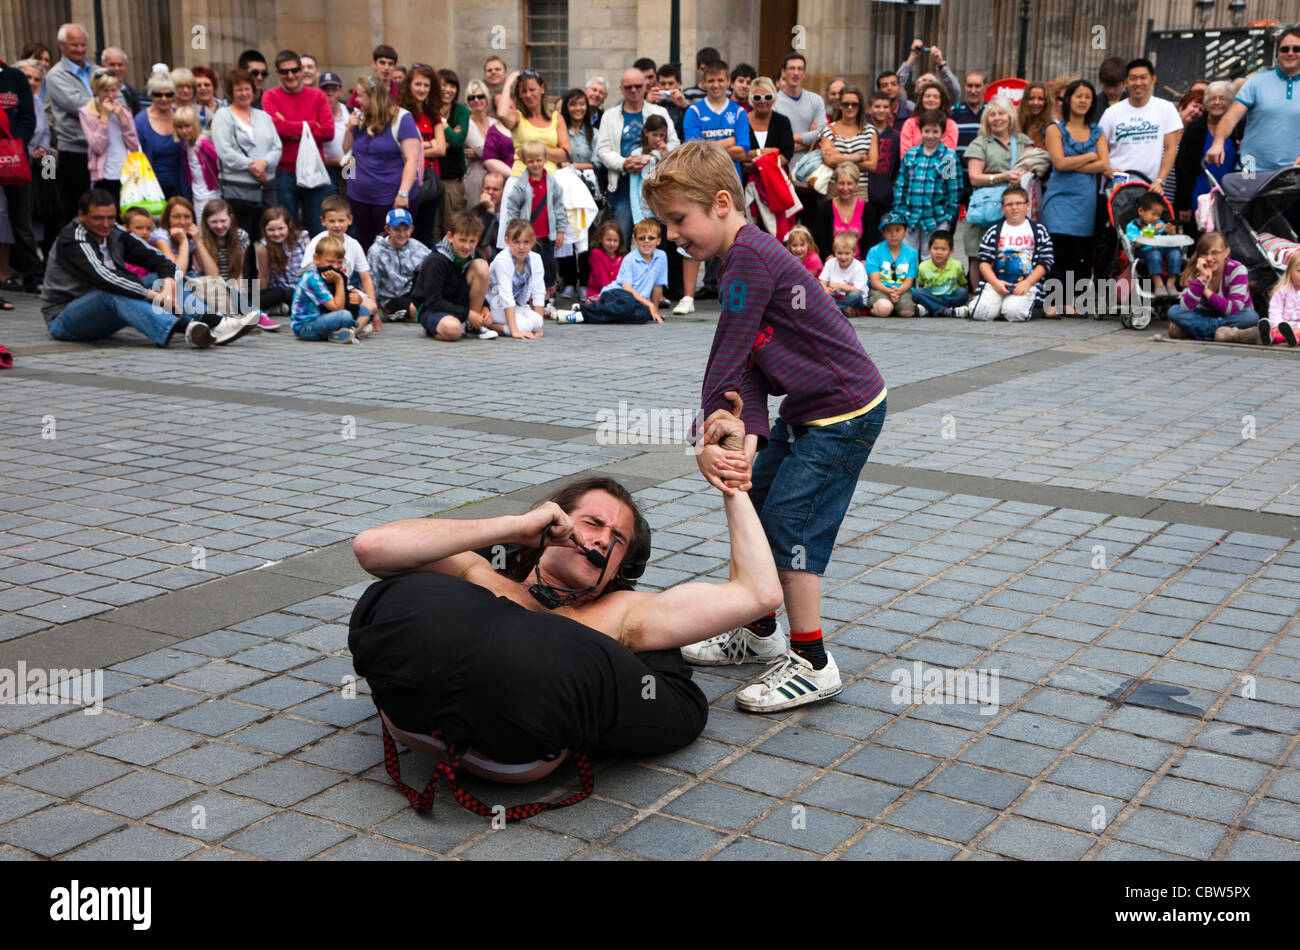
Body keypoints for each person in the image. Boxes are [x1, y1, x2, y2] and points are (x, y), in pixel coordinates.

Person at [642, 141, 888, 711]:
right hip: (811, 409)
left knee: (788, 525)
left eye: (680, 219)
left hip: (842, 412)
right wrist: (744, 435)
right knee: (757, 507)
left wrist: (709, 432)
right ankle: (758, 633)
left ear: (722, 203)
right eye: (666, 223)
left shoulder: (748, 258)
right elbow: (747, 371)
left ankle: (812, 661)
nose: (674, 235)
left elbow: (727, 355)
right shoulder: (737, 259)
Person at [347, 464, 779, 786]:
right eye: (592, 523)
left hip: (518, 748)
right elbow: (372, 547)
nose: (602, 540)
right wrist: (516, 528)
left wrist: (734, 485)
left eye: (618, 540)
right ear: (552, 522)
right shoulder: (480, 569)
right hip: (419, 707)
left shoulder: (622, 614)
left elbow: (758, 594)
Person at [40, 188, 233, 348]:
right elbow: (104, 278)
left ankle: (216, 322)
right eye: (98, 218)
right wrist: (154, 296)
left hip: (106, 312)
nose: (106, 224)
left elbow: (158, 258)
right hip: (64, 318)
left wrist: (168, 285)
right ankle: (186, 328)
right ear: (81, 215)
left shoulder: (115, 231)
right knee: (112, 291)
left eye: (110, 217)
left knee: (158, 278)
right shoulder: (72, 238)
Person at [676, 60, 749, 315]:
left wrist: (712, 143)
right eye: (712, 81)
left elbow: (743, 150)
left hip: (730, 184)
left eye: (721, 80)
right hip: (699, 183)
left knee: (731, 240)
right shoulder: (694, 112)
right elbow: (694, 148)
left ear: (728, 82)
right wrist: (727, 141)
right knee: (691, 235)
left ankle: (730, 293)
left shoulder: (738, 112)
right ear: (704, 83)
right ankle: (687, 297)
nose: (716, 85)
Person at [1041, 79, 1108, 314]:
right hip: (1059, 199)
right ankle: (1051, 301)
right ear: (1068, 99)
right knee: (1056, 248)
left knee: (1079, 252)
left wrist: (1073, 163)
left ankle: (1070, 300)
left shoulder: (1097, 131)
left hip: (1085, 200)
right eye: (1078, 96)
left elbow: (1104, 164)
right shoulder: (1054, 129)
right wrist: (1089, 157)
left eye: (1088, 97)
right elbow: (1059, 162)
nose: (1083, 101)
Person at [595, 67, 680, 243]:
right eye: (628, 87)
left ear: (645, 87)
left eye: (637, 86)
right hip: (622, 182)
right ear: (621, 89)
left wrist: (654, 157)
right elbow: (602, 150)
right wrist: (624, 163)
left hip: (655, 183)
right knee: (622, 234)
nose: (633, 90)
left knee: (657, 237)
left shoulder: (659, 112)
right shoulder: (610, 116)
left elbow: (674, 144)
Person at [1204, 26, 1300, 174]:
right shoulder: (1256, 83)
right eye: (1285, 49)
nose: (1290, 53)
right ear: (1277, 54)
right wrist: (1218, 142)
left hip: (1295, 172)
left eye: (1296, 49)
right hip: (1252, 171)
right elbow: (1231, 117)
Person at [343, 75, 421, 254]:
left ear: (374, 97)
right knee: (363, 245)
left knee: (388, 248)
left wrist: (403, 193)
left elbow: (412, 160)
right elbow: (347, 150)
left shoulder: (402, 119)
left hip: (389, 198)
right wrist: (348, 129)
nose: (356, 99)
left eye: (361, 95)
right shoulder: (358, 117)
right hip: (358, 196)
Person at [262, 50, 335, 237]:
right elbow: (275, 129)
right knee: (287, 230)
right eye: (285, 72)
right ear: (278, 74)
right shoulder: (270, 96)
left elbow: (328, 131)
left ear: (301, 70)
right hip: (284, 171)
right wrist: (309, 126)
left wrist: (289, 127)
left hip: (314, 170)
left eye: (294, 70)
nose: (291, 75)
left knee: (319, 228)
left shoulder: (317, 95)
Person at [964, 97, 1032, 286]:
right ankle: (978, 296)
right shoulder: (980, 143)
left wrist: (1024, 174)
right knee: (978, 255)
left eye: (1001, 113)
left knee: (1009, 253)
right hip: (986, 208)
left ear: (1010, 117)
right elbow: (974, 177)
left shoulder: (1022, 141)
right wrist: (1003, 176)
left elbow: (1035, 166)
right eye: (992, 115)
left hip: (1014, 206)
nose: (997, 118)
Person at [501, 139, 575, 301]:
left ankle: (548, 294)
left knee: (548, 263)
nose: (535, 164)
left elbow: (558, 207)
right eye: (531, 161)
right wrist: (513, 229)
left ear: (545, 160)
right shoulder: (521, 184)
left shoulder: (552, 182)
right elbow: (512, 207)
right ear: (525, 162)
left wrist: (561, 230)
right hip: (527, 235)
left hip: (547, 232)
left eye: (538, 160)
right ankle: (527, 295)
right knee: (526, 263)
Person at [211, 68, 281, 240]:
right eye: (239, 89)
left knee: (269, 236)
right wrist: (252, 166)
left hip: (267, 187)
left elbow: (277, 146)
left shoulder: (264, 116)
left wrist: (264, 163)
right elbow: (224, 151)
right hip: (239, 191)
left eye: (247, 88)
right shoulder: (223, 115)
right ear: (231, 92)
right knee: (242, 239)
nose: (244, 93)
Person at [970, 185, 1054, 322]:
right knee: (981, 314)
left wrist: (1027, 283)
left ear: (1027, 205)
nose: (1014, 207)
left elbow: (1046, 262)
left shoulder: (1038, 231)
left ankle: (1006, 306)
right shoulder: (994, 232)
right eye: (1009, 204)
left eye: (1018, 203)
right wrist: (995, 283)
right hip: (997, 283)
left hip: (1025, 284)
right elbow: (983, 261)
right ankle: (988, 305)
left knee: (1014, 314)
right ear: (1003, 209)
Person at [1099, 59, 1182, 192]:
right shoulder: (1111, 113)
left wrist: (1160, 180)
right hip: (1117, 188)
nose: (1138, 83)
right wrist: (1108, 170)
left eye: (1143, 78)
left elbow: (1170, 148)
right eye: (1133, 78)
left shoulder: (1166, 108)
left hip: (1150, 188)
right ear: (1126, 82)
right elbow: (1100, 145)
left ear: (1153, 79)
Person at [411, 210, 496, 341]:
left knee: (482, 265)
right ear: (450, 237)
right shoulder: (436, 260)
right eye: (462, 240)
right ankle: (434, 328)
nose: (467, 246)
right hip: (431, 308)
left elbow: (476, 286)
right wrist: (468, 313)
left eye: (472, 241)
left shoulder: (474, 254)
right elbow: (434, 302)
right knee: (453, 330)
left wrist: (485, 307)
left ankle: (473, 327)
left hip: (456, 302)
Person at [1165, 231, 1258, 341]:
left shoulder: (1237, 270)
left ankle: (1195, 330)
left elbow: (1233, 308)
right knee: (1173, 311)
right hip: (1204, 314)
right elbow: (1185, 306)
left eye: (1215, 253)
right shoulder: (1195, 270)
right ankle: (1223, 333)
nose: (1209, 258)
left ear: (1226, 252)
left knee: (1251, 317)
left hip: (1232, 315)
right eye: (1205, 253)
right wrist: (1201, 280)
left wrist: (1205, 291)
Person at [1175, 80, 1241, 232]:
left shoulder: (1237, 129)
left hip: (1228, 199)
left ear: (1231, 102)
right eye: (1212, 98)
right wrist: (1184, 206)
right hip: (1197, 197)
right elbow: (1183, 168)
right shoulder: (1195, 129)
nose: (1217, 102)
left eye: (1222, 98)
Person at [304, 195, 379, 325]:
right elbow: (305, 272)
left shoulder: (354, 244)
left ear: (349, 220)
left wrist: (375, 313)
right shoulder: (316, 242)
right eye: (332, 221)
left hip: (344, 288)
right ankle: (346, 326)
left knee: (370, 307)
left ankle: (350, 331)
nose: (337, 225)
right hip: (321, 289)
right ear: (323, 221)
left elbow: (365, 277)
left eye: (341, 220)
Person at [893, 110, 960, 254]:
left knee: (930, 259)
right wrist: (900, 211)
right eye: (926, 131)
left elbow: (952, 191)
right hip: (910, 217)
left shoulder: (947, 158)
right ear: (920, 131)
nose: (930, 135)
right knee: (907, 257)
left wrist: (948, 218)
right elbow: (901, 185)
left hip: (936, 218)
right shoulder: (911, 155)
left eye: (935, 131)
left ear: (942, 133)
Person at [46, 23, 95, 220]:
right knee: (78, 210)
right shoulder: (55, 75)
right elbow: (79, 106)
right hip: (75, 151)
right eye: (75, 45)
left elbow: (119, 99)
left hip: (103, 150)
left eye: (83, 45)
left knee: (104, 208)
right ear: (61, 45)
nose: (80, 49)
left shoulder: (97, 70)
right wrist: (106, 106)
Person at [577, 216, 665, 324]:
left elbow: (658, 286)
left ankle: (588, 315)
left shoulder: (661, 256)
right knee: (628, 304)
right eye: (642, 238)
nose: (646, 241)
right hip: (616, 293)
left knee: (644, 314)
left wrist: (654, 310)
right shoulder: (630, 258)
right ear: (635, 240)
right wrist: (650, 304)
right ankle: (583, 312)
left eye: (651, 238)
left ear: (659, 240)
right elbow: (626, 288)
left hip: (636, 301)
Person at [557, 87, 600, 297]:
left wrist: (572, 165)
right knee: (565, 234)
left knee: (584, 235)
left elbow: (597, 162)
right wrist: (571, 165)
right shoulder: (560, 131)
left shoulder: (594, 133)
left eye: (581, 104)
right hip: (564, 188)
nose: (578, 108)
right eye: (573, 104)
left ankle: (584, 282)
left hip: (586, 189)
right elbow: (558, 159)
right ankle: (568, 282)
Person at [398, 65, 447, 246]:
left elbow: (441, 148)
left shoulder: (433, 114)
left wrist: (415, 149)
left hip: (431, 180)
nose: (422, 89)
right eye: (417, 84)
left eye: (426, 85)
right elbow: (400, 151)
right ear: (409, 85)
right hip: (407, 181)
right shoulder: (400, 113)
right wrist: (428, 144)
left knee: (426, 234)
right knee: (407, 232)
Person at [79, 68, 139, 204]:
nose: (110, 95)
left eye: (113, 90)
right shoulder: (86, 113)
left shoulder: (124, 111)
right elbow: (96, 147)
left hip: (127, 173)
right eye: (105, 91)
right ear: (97, 91)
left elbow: (134, 145)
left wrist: (123, 119)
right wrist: (104, 118)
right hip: (104, 174)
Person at [292, 233, 365, 343]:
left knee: (365, 310)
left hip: (325, 317)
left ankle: (345, 333)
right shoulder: (312, 277)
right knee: (344, 315)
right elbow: (337, 308)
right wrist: (339, 281)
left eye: (339, 262)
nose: (335, 266)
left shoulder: (331, 273)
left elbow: (342, 297)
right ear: (316, 258)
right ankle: (354, 331)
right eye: (330, 262)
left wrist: (357, 300)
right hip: (306, 327)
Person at [497, 68, 570, 178]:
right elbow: (502, 114)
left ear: (542, 89)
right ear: (519, 95)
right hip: (521, 179)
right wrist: (508, 83)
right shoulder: (517, 116)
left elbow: (566, 154)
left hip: (550, 180)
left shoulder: (556, 117)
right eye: (523, 91)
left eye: (532, 89)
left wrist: (532, 151)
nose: (528, 95)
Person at [461, 79, 516, 218]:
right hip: (477, 175)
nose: (476, 100)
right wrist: (489, 152)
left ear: (487, 99)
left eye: (480, 96)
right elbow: (484, 150)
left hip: (502, 175)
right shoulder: (466, 123)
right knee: (477, 216)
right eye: (471, 97)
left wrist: (480, 153)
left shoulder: (495, 122)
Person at [367, 206, 431, 320]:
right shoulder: (376, 251)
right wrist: (373, 308)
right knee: (415, 311)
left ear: (411, 229)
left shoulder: (417, 246)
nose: (402, 234)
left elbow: (433, 263)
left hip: (410, 293)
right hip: (388, 299)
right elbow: (371, 281)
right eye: (397, 229)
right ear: (387, 229)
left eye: (405, 229)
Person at [486, 218, 547, 338]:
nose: (521, 247)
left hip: (515, 305)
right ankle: (488, 325)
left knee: (537, 321)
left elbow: (538, 292)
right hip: (493, 304)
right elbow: (506, 295)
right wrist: (514, 331)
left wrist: (539, 329)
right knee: (525, 326)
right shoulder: (502, 260)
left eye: (526, 242)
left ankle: (517, 325)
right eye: (516, 242)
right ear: (507, 241)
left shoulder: (536, 259)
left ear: (533, 241)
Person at [134, 71, 185, 199]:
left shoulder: (181, 117)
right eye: (158, 95)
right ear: (151, 95)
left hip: (180, 185)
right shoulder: (140, 121)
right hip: (151, 188)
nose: (164, 99)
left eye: (168, 94)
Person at [818, 84, 875, 196]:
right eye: (846, 104)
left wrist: (839, 159)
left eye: (854, 104)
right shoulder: (829, 129)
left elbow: (872, 165)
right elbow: (829, 161)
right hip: (834, 188)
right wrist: (859, 157)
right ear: (840, 105)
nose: (850, 107)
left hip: (860, 189)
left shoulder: (870, 130)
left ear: (860, 107)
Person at [255, 204, 310, 317]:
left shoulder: (303, 238)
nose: (276, 233)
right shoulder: (264, 246)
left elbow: (312, 268)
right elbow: (263, 277)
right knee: (277, 293)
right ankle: (257, 309)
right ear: (264, 230)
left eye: (280, 229)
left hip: (303, 290)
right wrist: (260, 297)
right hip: (281, 292)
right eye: (271, 230)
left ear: (289, 225)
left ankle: (277, 309)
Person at [1126, 192, 1183, 298]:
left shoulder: (1161, 224)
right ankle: (1159, 285)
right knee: (1154, 254)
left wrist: (1172, 234)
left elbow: (1169, 242)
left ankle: (1171, 284)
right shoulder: (1133, 225)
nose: (1156, 218)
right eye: (1153, 214)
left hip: (1162, 250)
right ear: (1141, 211)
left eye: (1159, 215)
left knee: (1175, 253)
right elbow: (1135, 243)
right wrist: (1151, 231)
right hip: (1143, 252)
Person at [816, 163, 877, 261]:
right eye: (841, 183)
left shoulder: (868, 210)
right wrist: (830, 260)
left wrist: (863, 263)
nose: (845, 188)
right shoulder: (825, 209)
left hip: (859, 263)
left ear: (856, 185)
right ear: (835, 184)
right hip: (833, 262)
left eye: (849, 183)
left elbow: (871, 242)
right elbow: (821, 242)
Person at [863, 212, 918, 317]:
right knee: (884, 309)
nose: (894, 234)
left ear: (906, 231)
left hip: (902, 290)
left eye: (898, 230)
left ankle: (894, 307)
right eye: (888, 231)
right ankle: (875, 308)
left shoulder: (912, 253)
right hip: (881, 289)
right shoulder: (875, 251)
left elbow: (909, 280)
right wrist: (889, 291)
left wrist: (898, 291)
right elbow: (875, 281)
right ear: (883, 233)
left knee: (907, 312)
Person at [435, 69, 470, 234]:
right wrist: (446, 137)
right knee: (432, 229)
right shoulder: (429, 109)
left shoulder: (461, 111)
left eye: (452, 86)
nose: (448, 90)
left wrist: (442, 124)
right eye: (444, 85)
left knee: (453, 229)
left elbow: (457, 141)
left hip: (453, 181)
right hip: (431, 178)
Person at [172, 106, 220, 221]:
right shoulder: (185, 146)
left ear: (195, 124)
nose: (184, 131)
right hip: (196, 194)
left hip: (211, 193)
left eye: (187, 126)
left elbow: (218, 162)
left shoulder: (203, 143)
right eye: (180, 127)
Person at [743, 76, 795, 180]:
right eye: (757, 97)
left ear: (774, 97)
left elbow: (787, 153)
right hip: (747, 182)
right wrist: (767, 152)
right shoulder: (742, 121)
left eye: (768, 97)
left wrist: (761, 166)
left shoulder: (783, 121)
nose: (763, 101)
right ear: (751, 98)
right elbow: (740, 152)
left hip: (776, 180)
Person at [773, 53, 826, 153]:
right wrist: (811, 141)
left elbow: (823, 134)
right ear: (783, 72)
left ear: (804, 73)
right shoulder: (772, 103)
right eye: (792, 68)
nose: (796, 73)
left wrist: (787, 137)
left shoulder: (816, 100)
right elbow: (774, 142)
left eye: (800, 69)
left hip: (810, 164)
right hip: (783, 165)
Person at [912, 230, 969, 317]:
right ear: (929, 249)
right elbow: (921, 285)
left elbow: (963, 284)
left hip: (950, 296)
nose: (939, 252)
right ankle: (946, 311)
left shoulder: (957, 265)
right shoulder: (923, 266)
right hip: (932, 295)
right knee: (917, 293)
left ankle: (931, 309)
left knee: (962, 293)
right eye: (935, 248)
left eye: (943, 249)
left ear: (951, 251)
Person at [896, 38, 962, 113]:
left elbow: (955, 90)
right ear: (916, 89)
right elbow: (897, 85)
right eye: (923, 80)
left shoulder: (943, 107)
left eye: (931, 81)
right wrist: (913, 55)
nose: (927, 82)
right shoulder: (908, 107)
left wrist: (940, 63)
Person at [866, 91, 902, 221]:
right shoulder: (863, 134)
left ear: (891, 110)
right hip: (865, 196)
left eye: (885, 107)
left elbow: (898, 168)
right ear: (869, 109)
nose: (881, 110)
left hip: (886, 199)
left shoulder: (896, 136)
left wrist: (891, 191)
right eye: (877, 106)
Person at [898, 82, 958, 154]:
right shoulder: (910, 124)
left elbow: (949, 154)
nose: (931, 99)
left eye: (935, 97)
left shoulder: (950, 125)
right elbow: (905, 154)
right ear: (921, 99)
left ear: (941, 100)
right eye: (927, 96)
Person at [820, 230, 869, 317]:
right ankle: (843, 309)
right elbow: (822, 282)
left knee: (855, 295)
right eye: (839, 253)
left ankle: (832, 309)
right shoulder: (830, 263)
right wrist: (826, 289)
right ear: (834, 251)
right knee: (822, 293)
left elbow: (858, 290)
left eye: (847, 253)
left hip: (855, 300)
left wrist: (840, 286)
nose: (843, 257)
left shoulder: (858, 267)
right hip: (835, 297)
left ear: (854, 253)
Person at [1257, 252, 1300, 346]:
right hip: (1284, 327)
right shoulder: (1282, 291)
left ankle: (1294, 339)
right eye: (1299, 271)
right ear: (1290, 271)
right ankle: (1270, 337)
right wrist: (1277, 325)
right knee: (1275, 332)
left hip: (1299, 328)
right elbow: (1275, 309)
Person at [318, 72, 349, 195]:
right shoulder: (315, 114)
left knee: (350, 196)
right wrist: (338, 160)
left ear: (340, 92)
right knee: (330, 199)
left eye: (334, 89)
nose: (330, 93)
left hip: (349, 166)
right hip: (326, 167)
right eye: (325, 89)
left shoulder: (352, 112)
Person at [347, 45, 399, 109]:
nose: (386, 67)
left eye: (390, 64)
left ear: (395, 67)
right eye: (382, 63)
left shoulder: (400, 92)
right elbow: (350, 112)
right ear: (374, 64)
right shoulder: (362, 88)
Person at [586, 219, 624, 303]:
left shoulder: (622, 257)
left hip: (616, 292)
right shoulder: (596, 254)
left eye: (615, 241)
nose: (612, 244)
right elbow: (602, 281)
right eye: (608, 240)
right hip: (597, 293)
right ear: (601, 239)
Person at [472, 171, 506, 261]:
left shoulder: (510, 212)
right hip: (488, 258)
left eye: (495, 189)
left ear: (504, 190)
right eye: (487, 188)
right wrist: (490, 211)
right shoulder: (476, 212)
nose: (490, 192)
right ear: (482, 189)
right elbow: (481, 242)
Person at [99, 47, 141, 115]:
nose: (117, 68)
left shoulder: (132, 92)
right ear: (103, 66)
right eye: (112, 65)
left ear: (126, 67)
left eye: (120, 65)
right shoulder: (97, 92)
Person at [656, 64, 688, 140]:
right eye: (663, 84)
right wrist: (648, 104)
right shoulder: (653, 103)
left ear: (678, 85)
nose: (667, 87)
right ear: (657, 84)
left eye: (671, 83)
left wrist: (685, 107)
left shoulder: (685, 104)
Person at [1017, 82, 1052, 148]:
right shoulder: (1016, 122)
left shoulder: (1051, 126)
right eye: (1031, 98)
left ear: (1046, 102)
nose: (1035, 102)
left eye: (1040, 99)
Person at [191, 65, 225, 132]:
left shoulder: (225, 107)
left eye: (207, 85)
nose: (203, 88)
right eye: (198, 85)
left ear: (214, 86)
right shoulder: (190, 111)